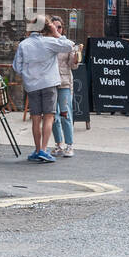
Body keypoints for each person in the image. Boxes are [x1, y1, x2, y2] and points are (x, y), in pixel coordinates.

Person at [12, 14, 75, 163]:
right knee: (48, 117)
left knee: (35, 119)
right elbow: (69, 45)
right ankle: (44, 150)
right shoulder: (49, 41)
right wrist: (56, 33)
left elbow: (16, 67)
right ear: (47, 27)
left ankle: (37, 149)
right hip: (48, 84)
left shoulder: (24, 44)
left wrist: (28, 75)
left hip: (32, 86)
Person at [49, 15, 82, 158]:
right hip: (50, 83)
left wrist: (75, 58)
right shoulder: (47, 43)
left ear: (63, 29)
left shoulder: (68, 44)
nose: (57, 29)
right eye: (54, 27)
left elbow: (73, 65)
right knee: (53, 116)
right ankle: (58, 144)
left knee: (64, 114)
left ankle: (69, 145)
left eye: (59, 27)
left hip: (64, 83)